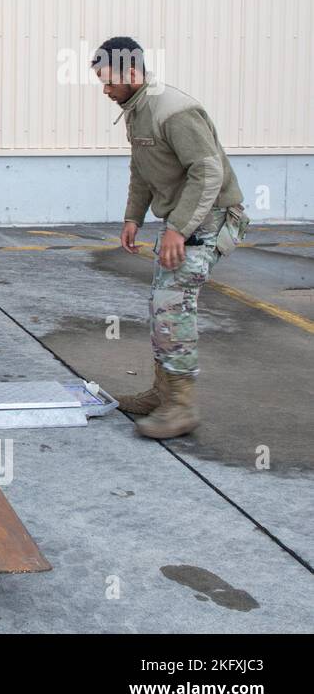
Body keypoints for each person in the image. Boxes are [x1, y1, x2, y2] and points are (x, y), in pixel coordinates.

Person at [93, 37, 249, 439]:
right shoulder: (136, 109)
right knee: (162, 302)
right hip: (186, 217)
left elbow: (208, 172)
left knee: (173, 302)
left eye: (108, 81)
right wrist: (133, 217)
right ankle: (164, 393)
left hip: (212, 218)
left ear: (131, 73)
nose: (105, 90)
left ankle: (181, 405)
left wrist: (178, 228)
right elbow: (141, 169)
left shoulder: (174, 110)